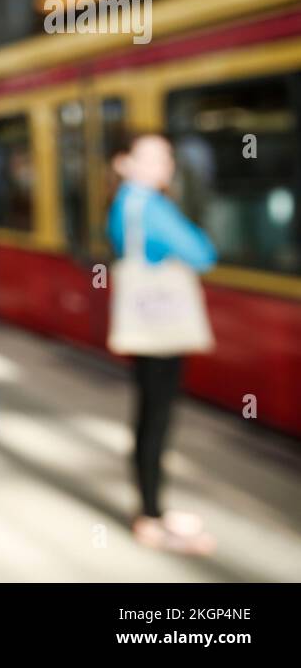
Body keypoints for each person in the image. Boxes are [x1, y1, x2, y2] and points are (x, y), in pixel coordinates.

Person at [107, 132, 217, 556]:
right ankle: (151, 516)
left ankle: (151, 510)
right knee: (157, 417)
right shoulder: (148, 205)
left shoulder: (124, 204)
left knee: (148, 414)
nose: (163, 166)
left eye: (166, 158)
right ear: (125, 163)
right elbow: (202, 253)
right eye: (151, 158)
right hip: (161, 332)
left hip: (145, 327)